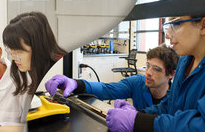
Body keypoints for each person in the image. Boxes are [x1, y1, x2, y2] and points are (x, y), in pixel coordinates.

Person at [105, 0, 205, 132]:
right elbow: (170, 106)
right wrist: (139, 114)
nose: (168, 34)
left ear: (203, 25)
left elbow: (200, 125)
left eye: (176, 23)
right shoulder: (184, 61)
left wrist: (138, 122)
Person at [45, 45, 180, 110]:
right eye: (147, 65)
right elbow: (106, 89)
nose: (148, 72)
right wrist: (76, 83)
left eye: (156, 69)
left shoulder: (179, 97)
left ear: (171, 74)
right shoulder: (137, 83)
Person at [2, 11, 67, 96]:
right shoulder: (26, 69)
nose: (13, 58)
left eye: (18, 52)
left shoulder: (60, 72)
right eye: (11, 51)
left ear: (38, 47)